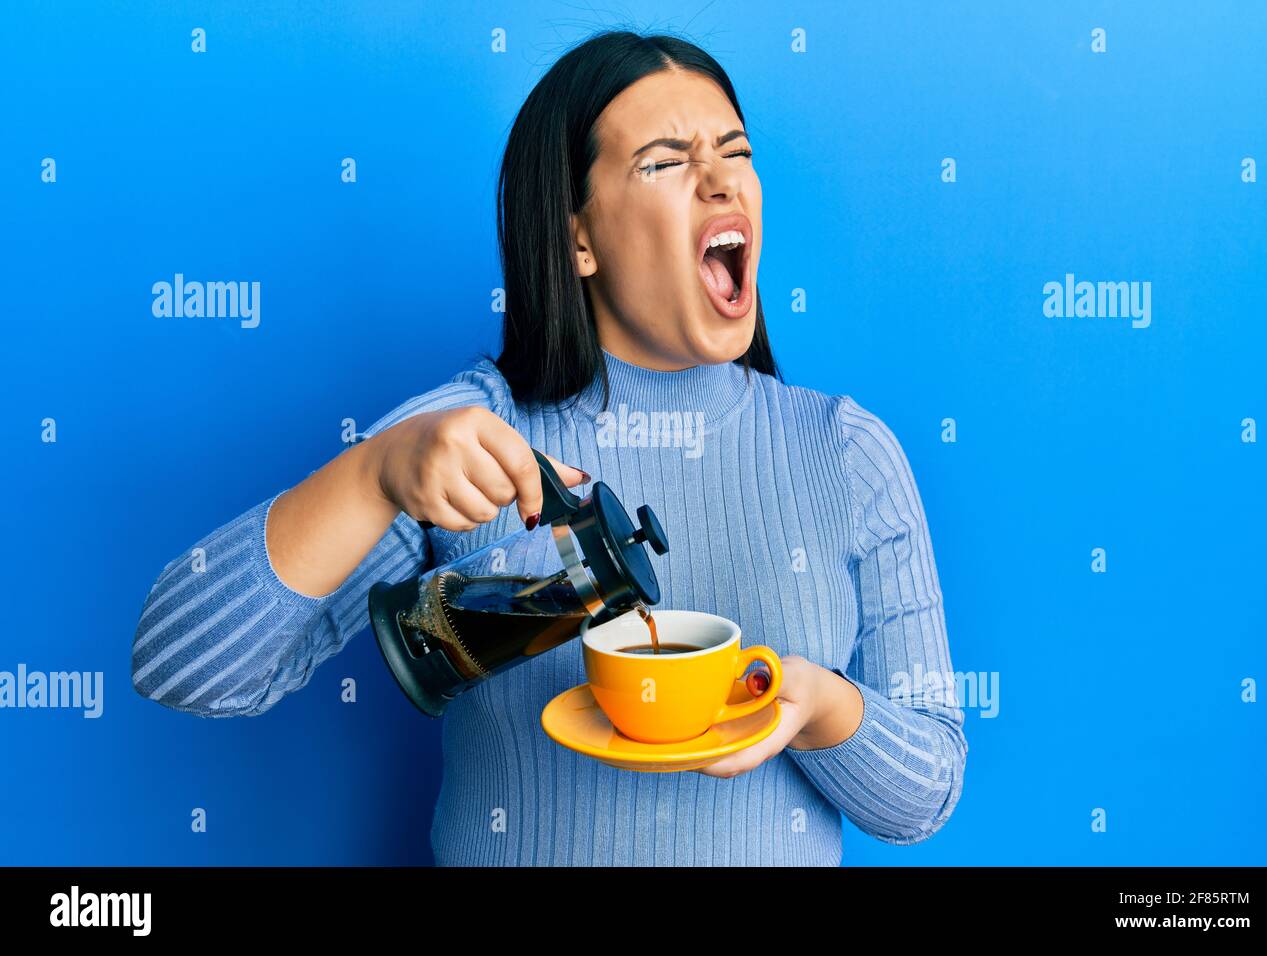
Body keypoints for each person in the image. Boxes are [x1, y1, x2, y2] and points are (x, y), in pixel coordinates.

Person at [131, 29, 967, 866]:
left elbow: (926, 795)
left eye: (735, 152)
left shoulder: (846, 452)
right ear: (578, 241)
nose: (720, 181)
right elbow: (182, 668)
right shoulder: (466, 437)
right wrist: (371, 475)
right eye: (666, 162)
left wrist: (819, 708)